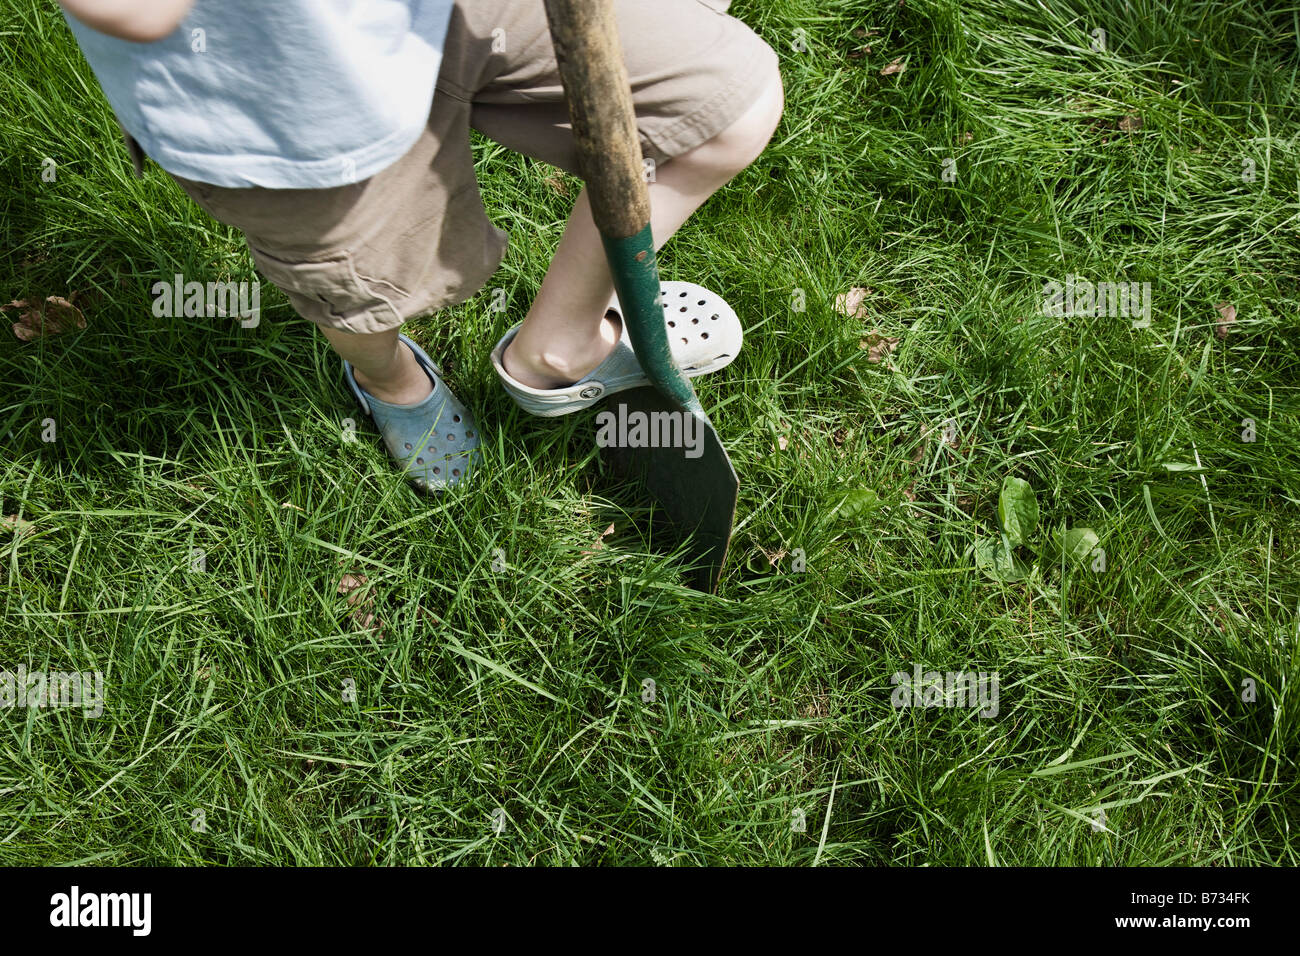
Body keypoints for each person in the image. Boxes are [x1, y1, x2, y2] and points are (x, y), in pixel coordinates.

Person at [58, 0, 784, 490]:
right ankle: (390, 382)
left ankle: (558, 349)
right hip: (282, 90)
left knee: (725, 111)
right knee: (357, 284)